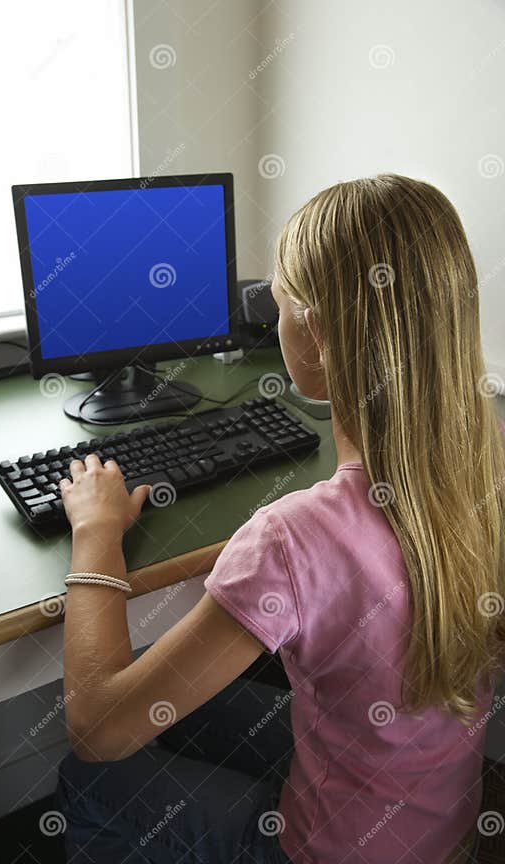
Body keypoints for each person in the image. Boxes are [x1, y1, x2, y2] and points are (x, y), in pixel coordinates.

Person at [55, 174, 505, 863]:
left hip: (320, 850)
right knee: (189, 705)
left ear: (315, 335)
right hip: (441, 831)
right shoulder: (489, 465)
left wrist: (95, 532)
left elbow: (97, 727)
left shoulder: (293, 539)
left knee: (88, 775)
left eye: (279, 303)